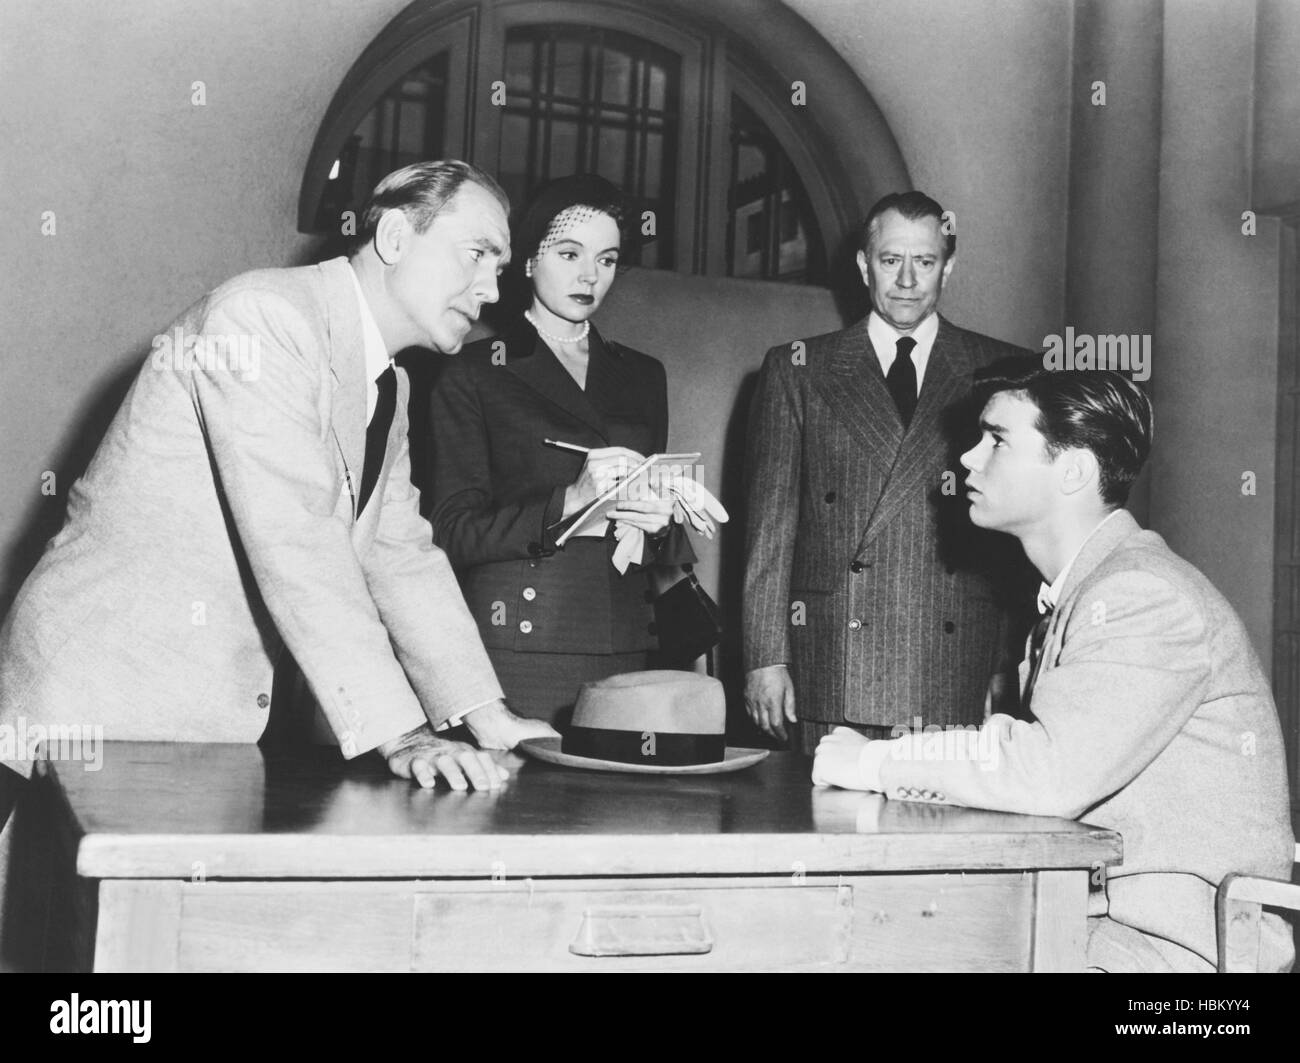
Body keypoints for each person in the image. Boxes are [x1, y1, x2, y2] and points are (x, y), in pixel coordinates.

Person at [0, 160, 555, 799]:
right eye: (477, 254)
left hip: (193, 725)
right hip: (92, 701)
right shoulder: (262, 318)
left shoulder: (388, 387)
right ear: (396, 238)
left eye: (501, 268)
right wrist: (402, 732)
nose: (491, 289)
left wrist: (484, 712)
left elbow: (400, 555)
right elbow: (298, 541)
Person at [812, 359, 1296, 973]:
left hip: (1175, 961)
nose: (967, 458)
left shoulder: (1142, 594)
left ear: (1073, 471)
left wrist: (876, 762)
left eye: (997, 440)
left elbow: (1048, 772)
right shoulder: (1090, 591)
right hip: (1098, 925)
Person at [743, 190, 1029, 753]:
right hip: (833, 659)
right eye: (890, 260)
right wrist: (764, 656)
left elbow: (1013, 541)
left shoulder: (1001, 372)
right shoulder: (797, 368)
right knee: (826, 831)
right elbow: (769, 528)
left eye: (924, 262)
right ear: (862, 264)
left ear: (948, 267)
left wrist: (1005, 662)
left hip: (953, 662)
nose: (906, 280)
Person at [425, 174, 695, 727]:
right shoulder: (473, 371)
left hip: (624, 641)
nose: (590, 275)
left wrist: (663, 522)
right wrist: (567, 501)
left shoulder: (643, 375)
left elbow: (656, 551)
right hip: (518, 642)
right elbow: (450, 529)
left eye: (607, 259)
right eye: (569, 253)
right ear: (527, 261)